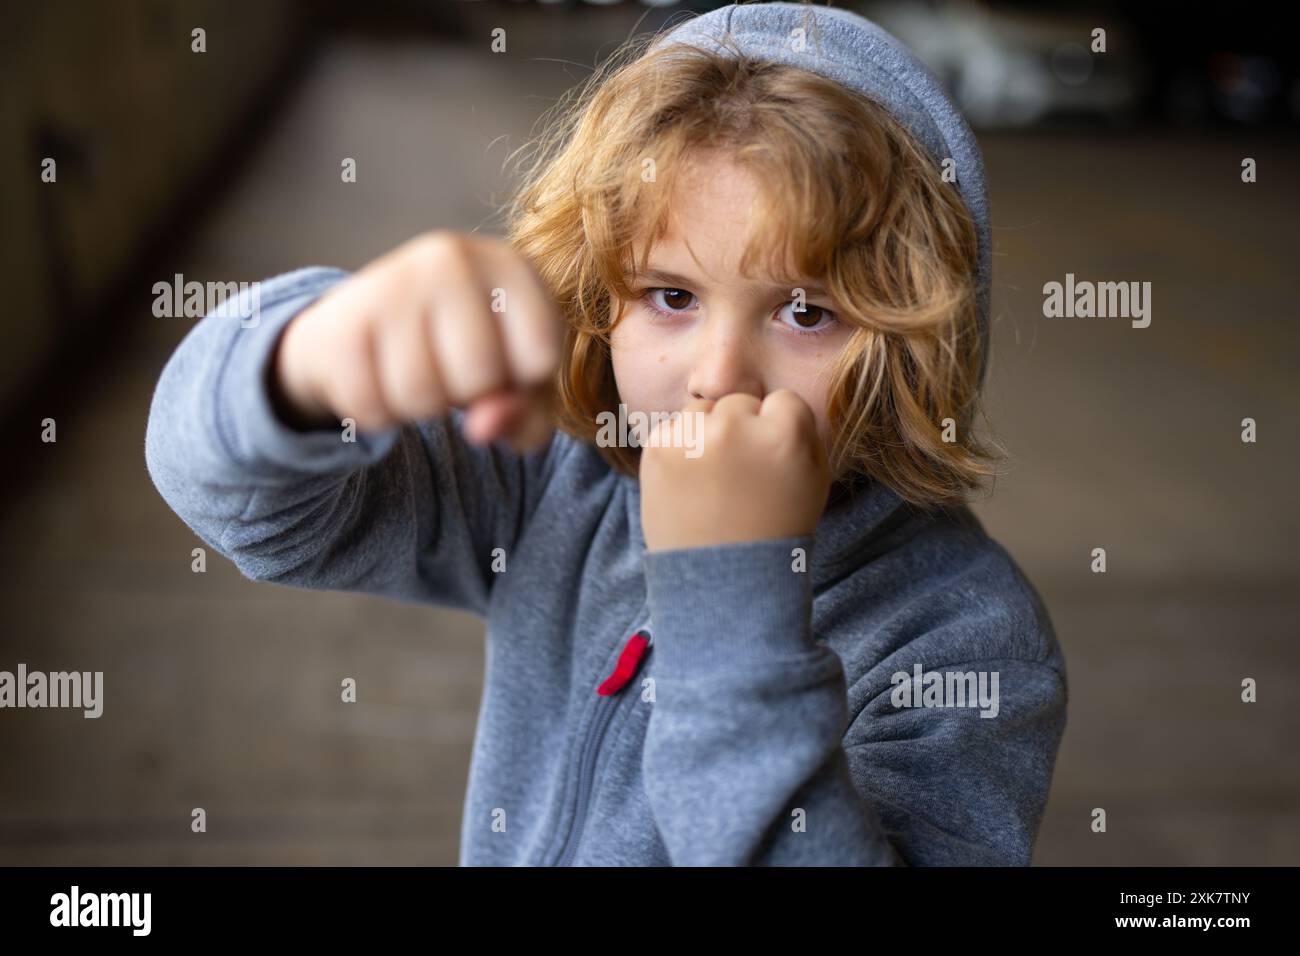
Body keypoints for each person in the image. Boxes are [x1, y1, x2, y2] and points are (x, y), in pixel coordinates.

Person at [145, 1, 1067, 865]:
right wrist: (308, 364)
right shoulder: (555, 481)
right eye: (671, 296)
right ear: (599, 301)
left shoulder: (964, 638)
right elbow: (256, 513)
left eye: (804, 312)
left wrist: (732, 607)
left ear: (917, 332)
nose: (716, 377)